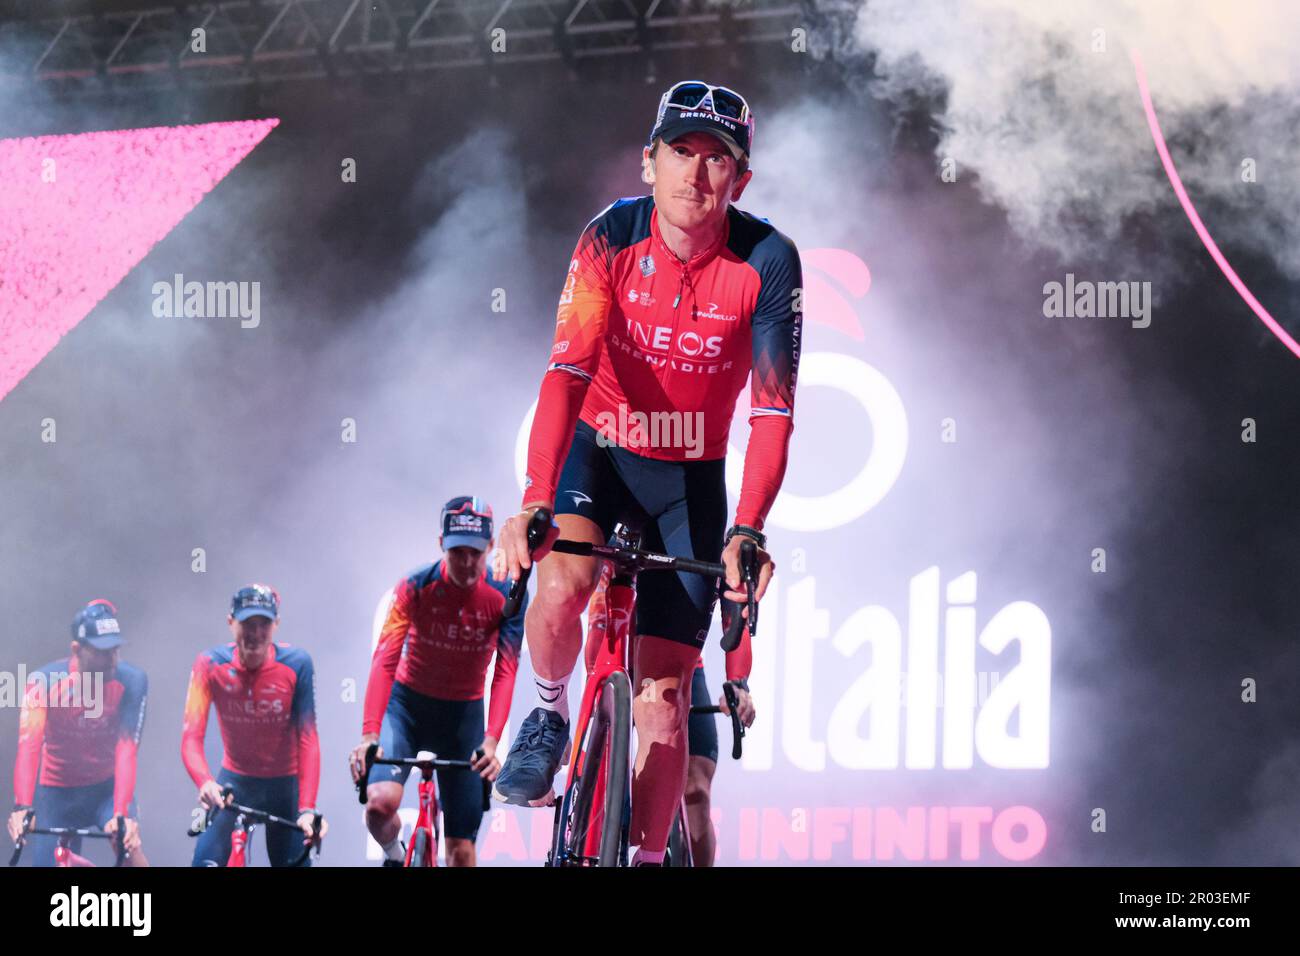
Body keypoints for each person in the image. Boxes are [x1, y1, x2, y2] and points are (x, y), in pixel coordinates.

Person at [496, 80, 802, 865]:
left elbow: (771, 413)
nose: (695, 175)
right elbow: (566, 373)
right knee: (561, 584)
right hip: (599, 451)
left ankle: (633, 857)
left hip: (690, 479)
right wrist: (535, 500)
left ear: (740, 179)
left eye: (716, 160)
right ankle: (549, 713)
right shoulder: (610, 236)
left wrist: (748, 531)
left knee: (665, 702)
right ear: (648, 161)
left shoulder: (768, 260)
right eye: (680, 152)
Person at [349, 496, 525, 867]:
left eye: (474, 553)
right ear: (440, 546)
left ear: (491, 547)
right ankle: (395, 856)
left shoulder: (505, 595)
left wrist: (491, 742)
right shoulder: (414, 587)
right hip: (406, 709)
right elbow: (384, 660)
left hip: (462, 720)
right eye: (457, 552)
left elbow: (506, 670)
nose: (466, 563)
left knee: (461, 853)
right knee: (378, 807)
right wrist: (369, 736)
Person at [182, 584, 326, 866]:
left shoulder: (297, 664)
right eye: (248, 623)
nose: (256, 633)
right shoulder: (209, 664)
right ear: (231, 623)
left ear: (276, 625)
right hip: (234, 784)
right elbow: (190, 737)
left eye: (264, 624)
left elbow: (308, 739)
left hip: (286, 789)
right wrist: (206, 782)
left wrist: (307, 808)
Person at [8, 600, 149, 866]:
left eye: (116, 650)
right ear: (77, 650)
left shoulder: (132, 680)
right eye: (102, 652)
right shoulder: (44, 683)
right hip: (58, 794)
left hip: (107, 790)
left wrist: (122, 813)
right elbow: (29, 745)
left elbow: (127, 750)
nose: (112, 661)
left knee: (128, 846)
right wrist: (22, 806)